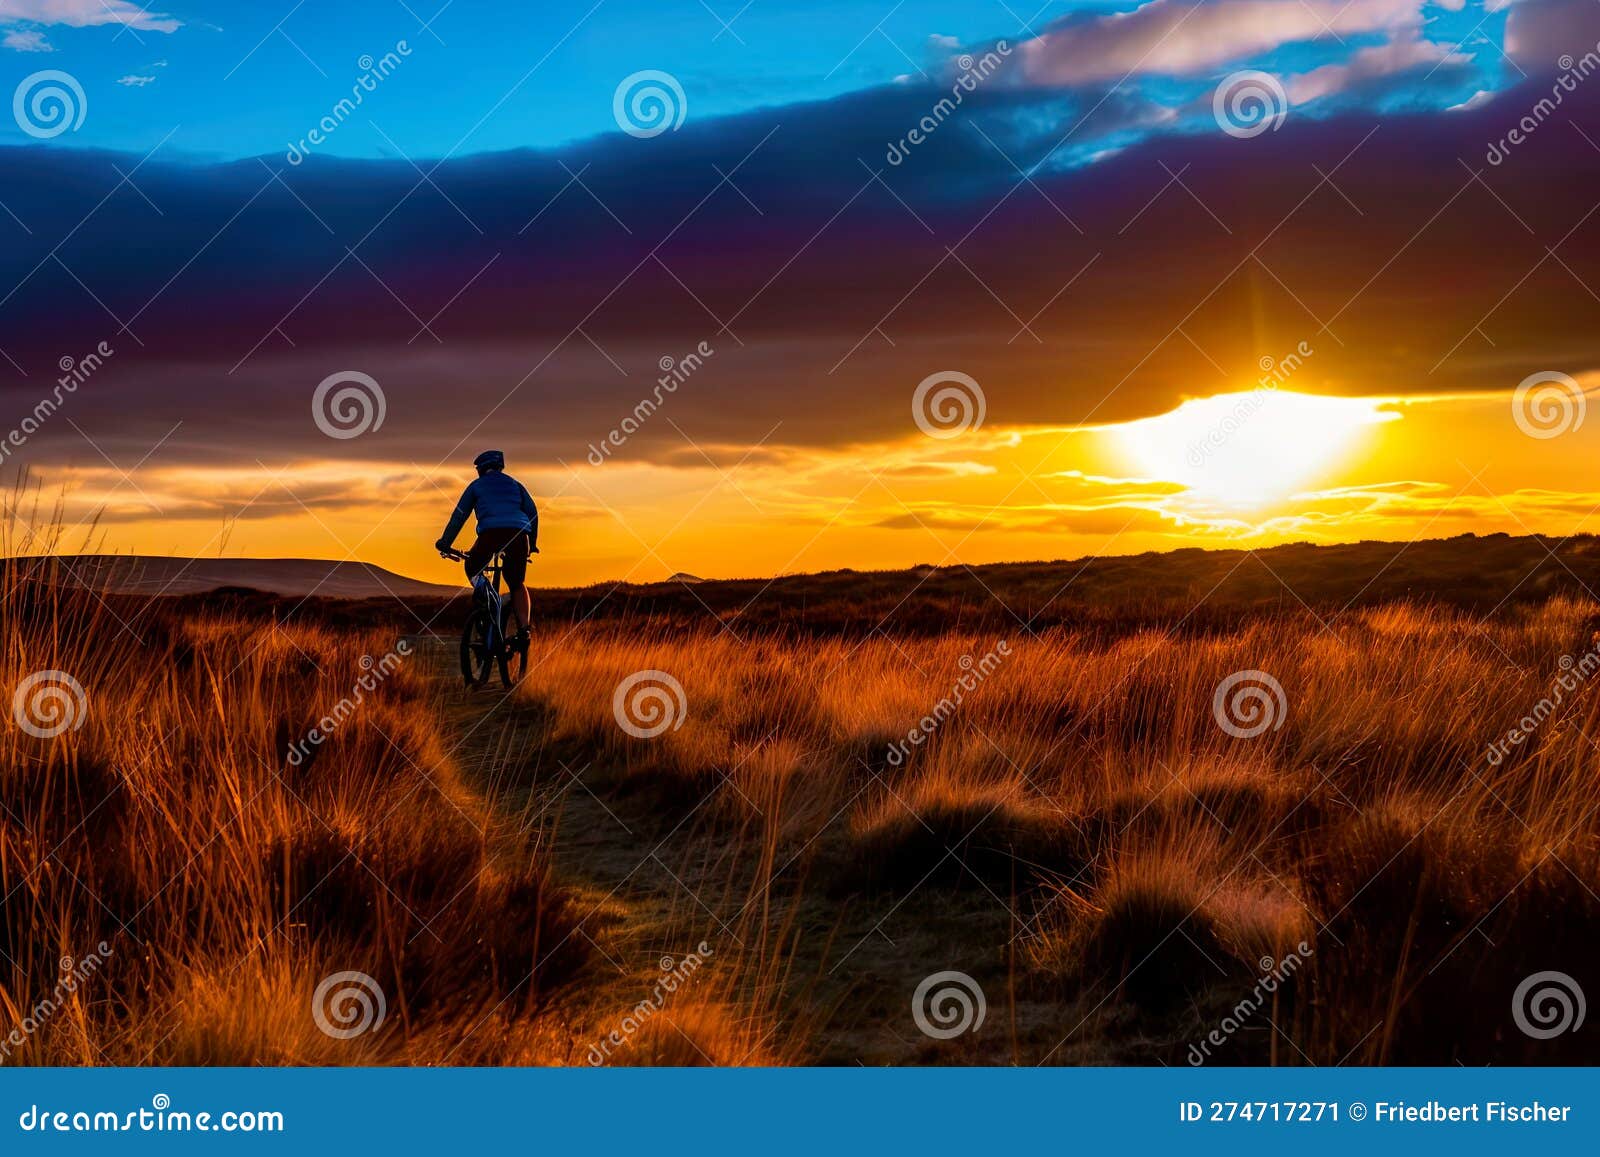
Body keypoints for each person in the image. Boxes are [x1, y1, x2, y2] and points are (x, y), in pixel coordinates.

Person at [435, 449, 538, 646]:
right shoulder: (516, 485)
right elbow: (532, 513)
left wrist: (445, 543)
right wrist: (532, 544)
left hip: (490, 534)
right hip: (519, 535)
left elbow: (459, 516)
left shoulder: (476, 486)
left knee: (472, 568)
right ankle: (524, 630)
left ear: (480, 470)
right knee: (517, 583)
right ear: (501, 467)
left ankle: (491, 600)